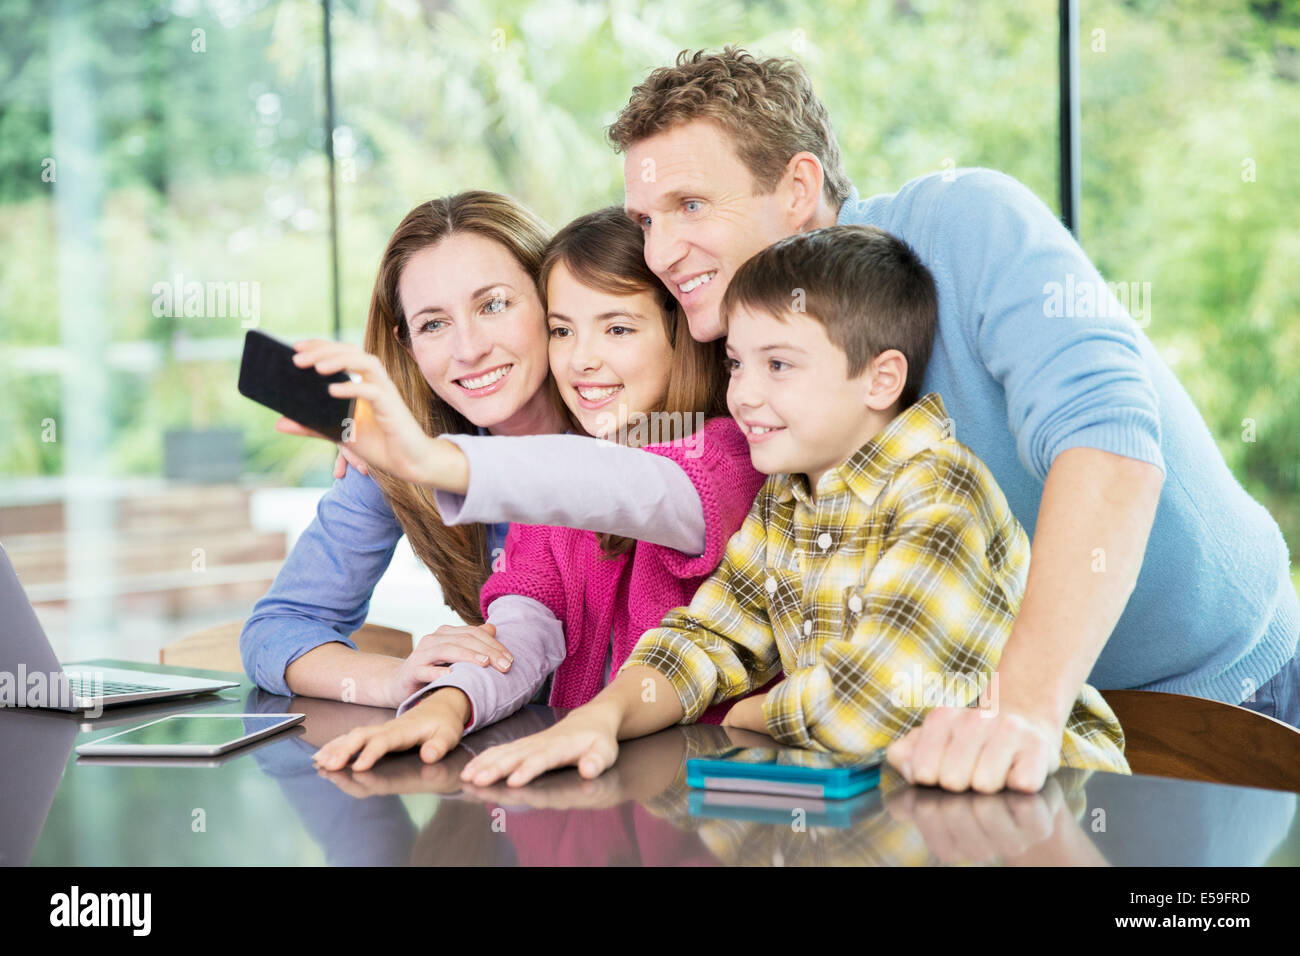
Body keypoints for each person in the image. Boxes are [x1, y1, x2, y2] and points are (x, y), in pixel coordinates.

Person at [602, 46, 1297, 791]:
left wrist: (1023, 708)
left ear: (797, 185)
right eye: (646, 220)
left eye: (691, 206)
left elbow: (1110, 441)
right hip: (987, 746)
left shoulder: (969, 223)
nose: (661, 251)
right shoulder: (745, 362)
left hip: (1220, 693)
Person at [455, 224, 1130, 794]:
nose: (744, 394)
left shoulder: (939, 490)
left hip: (1050, 808)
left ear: (880, 378)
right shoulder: (788, 500)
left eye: (778, 365)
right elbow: (708, 638)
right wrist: (605, 716)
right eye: (737, 364)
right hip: (903, 809)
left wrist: (752, 713)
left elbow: (874, 704)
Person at [304, 208, 770, 771]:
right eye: (561, 330)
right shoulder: (551, 498)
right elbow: (524, 625)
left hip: (705, 800)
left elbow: (629, 488)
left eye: (618, 328)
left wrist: (434, 460)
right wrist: (447, 705)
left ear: (681, 334)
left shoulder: (725, 455)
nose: (582, 359)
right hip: (587, 795)